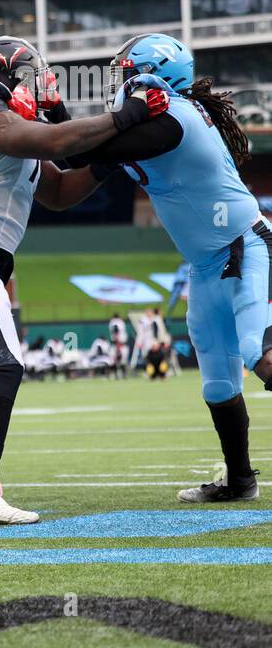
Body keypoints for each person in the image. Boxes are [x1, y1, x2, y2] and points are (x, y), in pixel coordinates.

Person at [0, 35, 166, 524]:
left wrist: (106, 163)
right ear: (8, 77)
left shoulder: (14, 133)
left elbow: (62, 190)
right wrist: (124, 117)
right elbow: (59, 141)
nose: (44, 87)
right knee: (3, 367)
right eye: (33, 78)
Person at [78, 34, 268, 501]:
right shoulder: (153, 126)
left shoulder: (174, 120)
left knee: (254, 347)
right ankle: (240, 481)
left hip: (245, 245)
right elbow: (80, 154)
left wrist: (48, 122)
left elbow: (87, 147)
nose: (120, 86)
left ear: (153, 77)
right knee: (218, 381)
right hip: (205, 266)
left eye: (126, 75)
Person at [108, 312, 129, 379]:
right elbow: (115, 329)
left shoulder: (113, 322)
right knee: (120, 360)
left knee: (116, 360)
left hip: (117, 344)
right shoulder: (117, 322)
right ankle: (120, 375)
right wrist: (117, 341)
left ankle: (117, 375)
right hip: (119, 344)